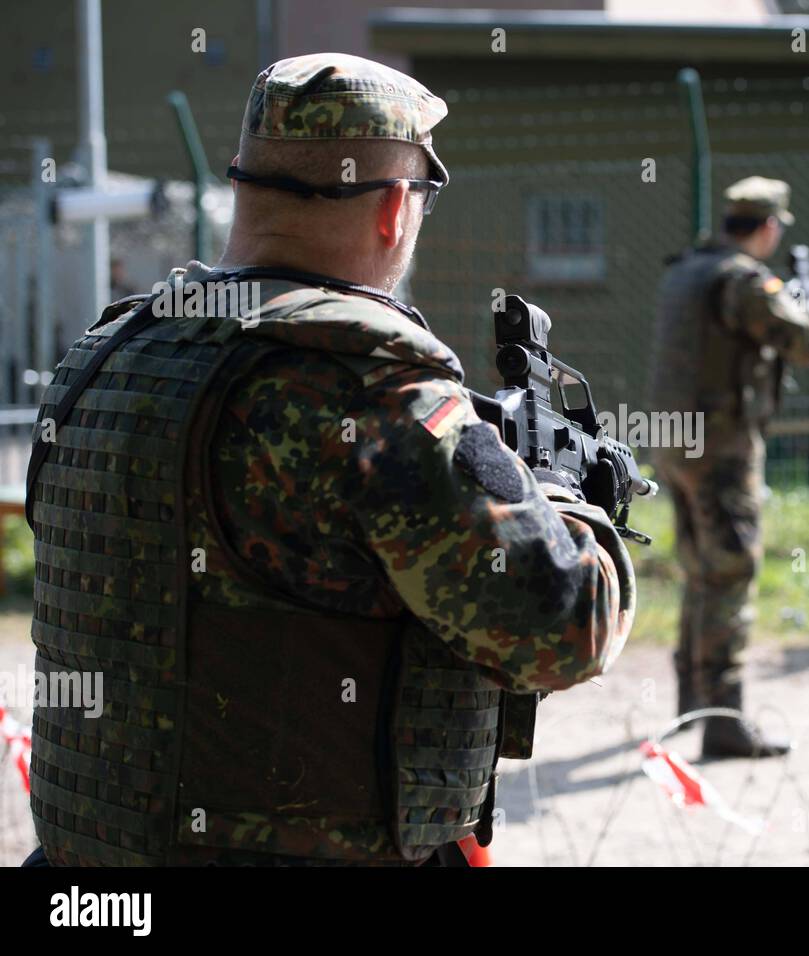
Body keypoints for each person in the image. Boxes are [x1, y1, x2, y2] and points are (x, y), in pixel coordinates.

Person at [23, 53, 634, 866]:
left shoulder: (104, 356)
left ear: (245, 185)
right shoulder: (371, 386)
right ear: (393, 208)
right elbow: (565, 629)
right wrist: (569, 504)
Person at [649, 177, 809, 758]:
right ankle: (724, 721)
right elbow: (808, 345)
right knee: (729, 573)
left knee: (700, 570)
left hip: (673, 441)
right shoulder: (744, 280)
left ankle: (691, 702)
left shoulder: (687, 269)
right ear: (769, 227)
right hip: (720, 448)